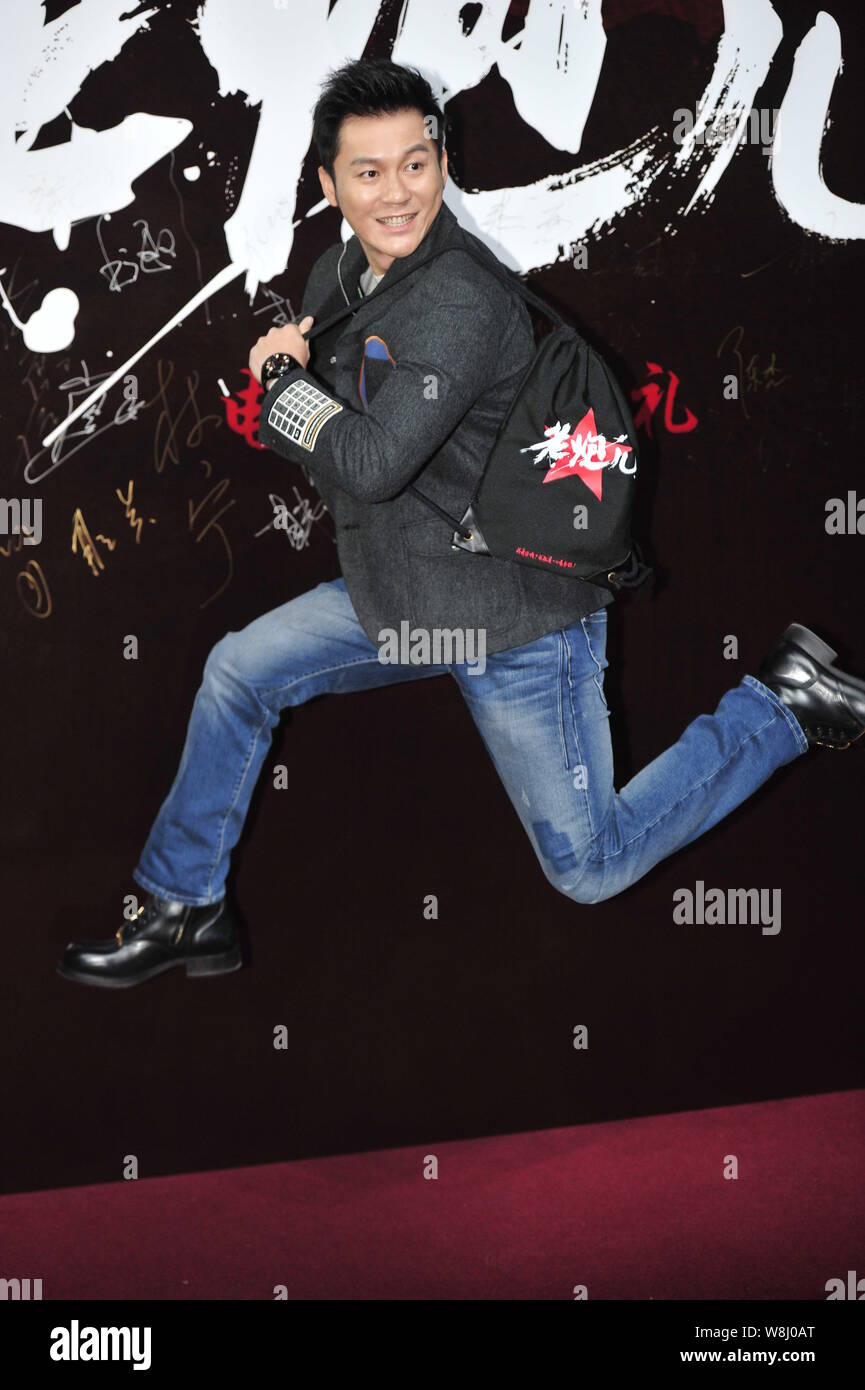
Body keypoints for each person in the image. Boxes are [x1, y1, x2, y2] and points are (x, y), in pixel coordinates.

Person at [57, 58, 865, 989]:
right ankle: (186, 905)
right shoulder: (339, 273)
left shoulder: (459, 297)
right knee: (239, 670)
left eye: (416, 163)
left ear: (441, 162)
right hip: (405, 589)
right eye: (368, 172)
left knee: (589, 867)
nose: (398, 193)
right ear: (326, 184)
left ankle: (779, 705)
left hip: (519, 616)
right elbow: (340, 447)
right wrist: (306, 402)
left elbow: (364, 458)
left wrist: (281, 381)